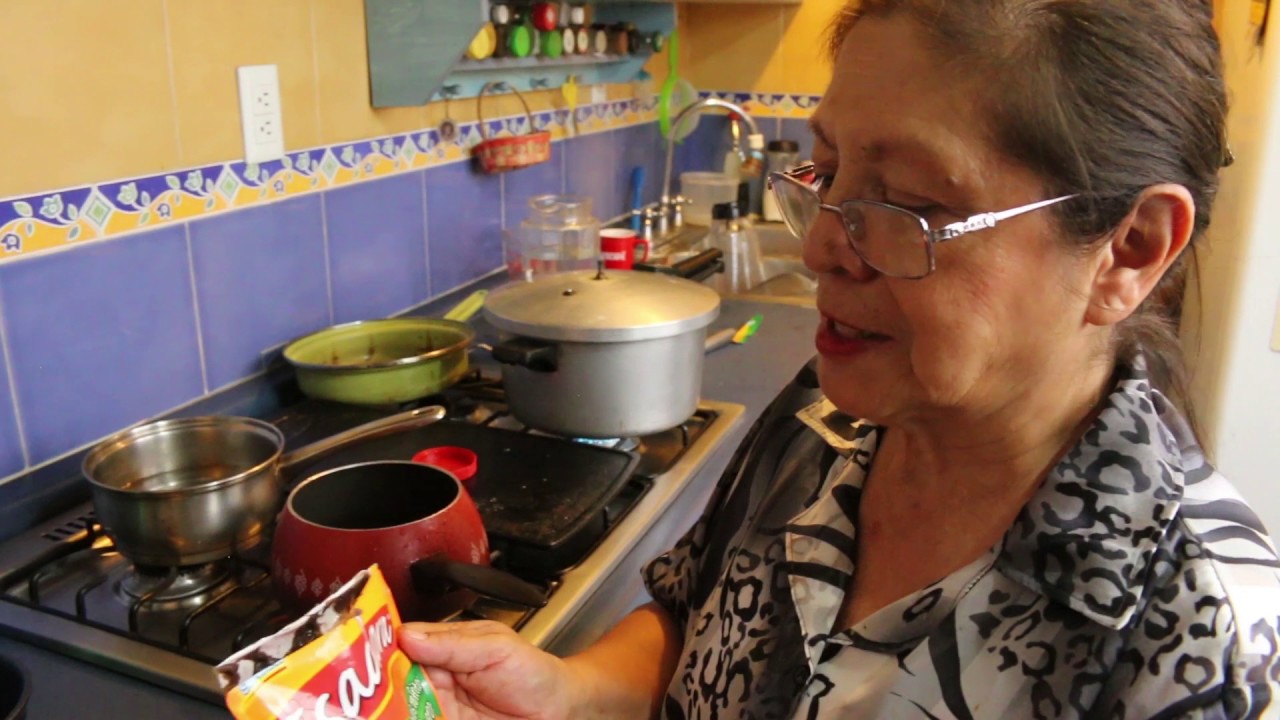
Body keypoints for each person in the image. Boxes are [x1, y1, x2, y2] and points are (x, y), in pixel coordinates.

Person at [398, 0, 1280, 716]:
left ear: (1128, 249)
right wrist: (570, 692)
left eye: (909, 203)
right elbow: (692, 612)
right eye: (826, 172)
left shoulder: (1200, 636)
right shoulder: (827, 417)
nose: (822, 247)